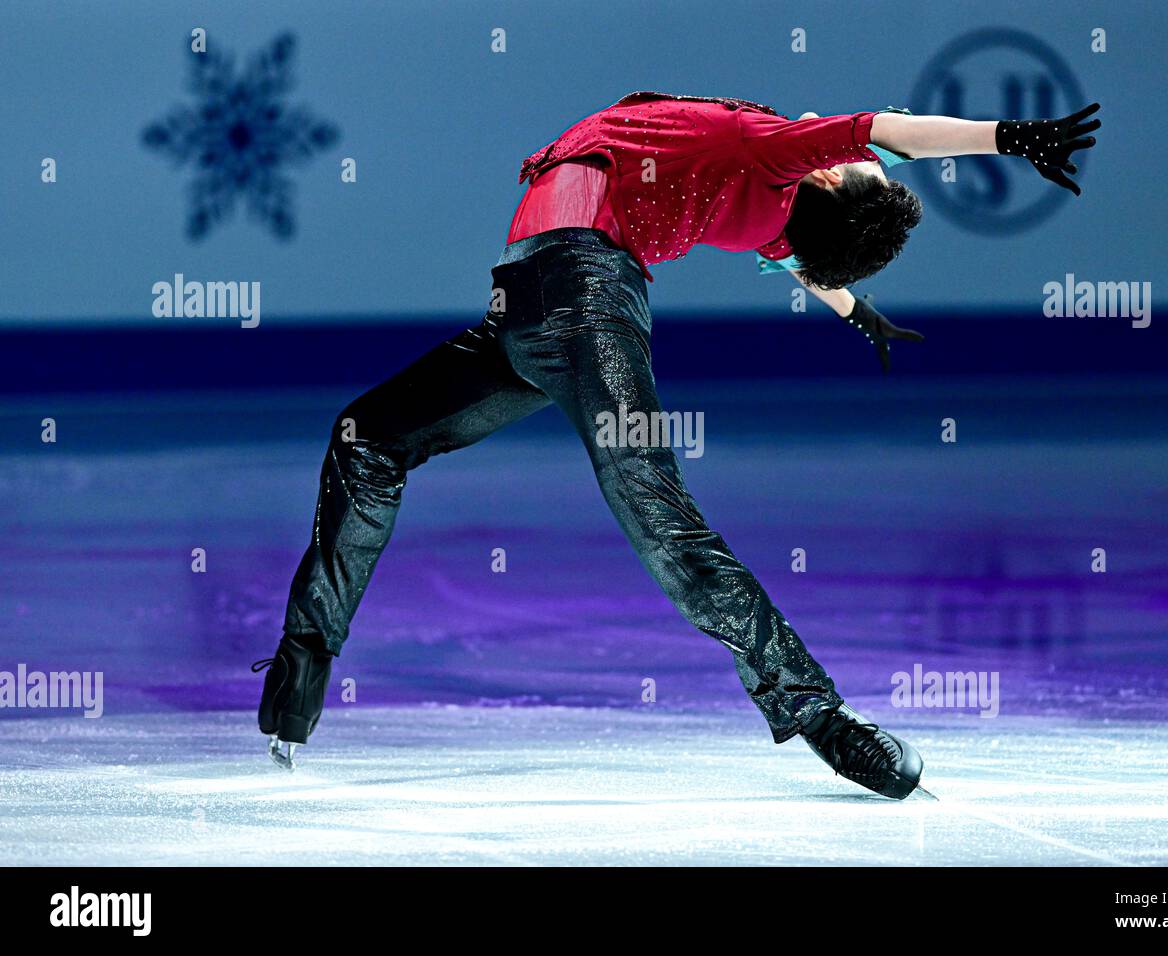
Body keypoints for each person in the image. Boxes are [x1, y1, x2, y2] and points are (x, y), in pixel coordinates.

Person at [255, 92, 1100, 797]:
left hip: (581, 300)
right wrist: (857, 311)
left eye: (854, 160)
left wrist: (1006, 137)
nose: (853, 146)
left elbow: (890, 130)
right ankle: (299, 678)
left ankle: (821, 715)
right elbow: (807, 256)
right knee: (366, 439)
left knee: (665, 527)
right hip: (526, 314)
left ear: (829, 171)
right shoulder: (770, 210)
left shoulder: (768, 148)